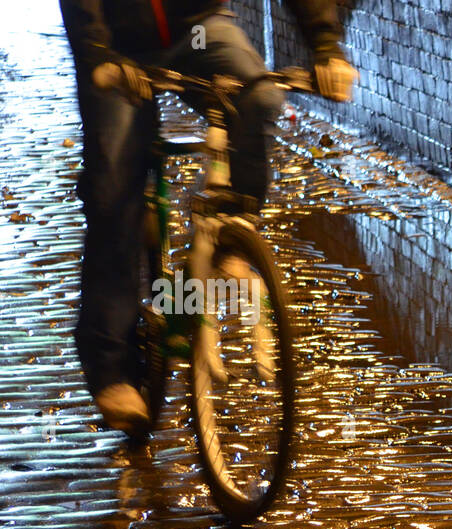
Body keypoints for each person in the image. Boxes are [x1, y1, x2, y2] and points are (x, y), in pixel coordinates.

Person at [59, 0, 357, 434]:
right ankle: (114, 370)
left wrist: (326, 47)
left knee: (258, 96)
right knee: (113, 186)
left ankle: (232, 232)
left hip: (196, 30)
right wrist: (97, 55)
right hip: (115, 44)